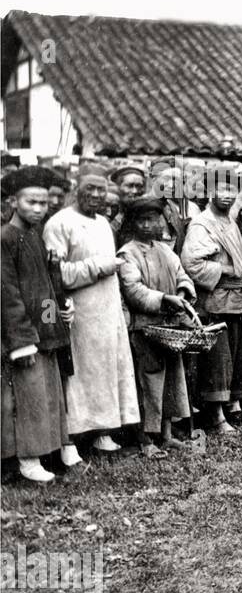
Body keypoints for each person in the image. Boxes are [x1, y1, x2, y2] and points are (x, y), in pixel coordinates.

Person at [43, 172, 140, 454]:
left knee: (106, 372)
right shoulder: (59, 223)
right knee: (81, 376)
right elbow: (57, 275)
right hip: (79, 313)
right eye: (90, 189)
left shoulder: (103, 224)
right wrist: (98, 266)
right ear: (76, 189)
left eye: (101, 190)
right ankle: (73, 437)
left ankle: (102, 432)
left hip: (107, 311)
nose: (96, 195)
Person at [181, 166, 242, 434]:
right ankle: (217, 416)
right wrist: (227, 270)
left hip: (241, 298)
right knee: (218, 359)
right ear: (210, 192)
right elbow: (192, 263)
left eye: (232, 190)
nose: (226, 195)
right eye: (220, 190)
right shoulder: (202, 223)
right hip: (218, 298)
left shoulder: (234, 222)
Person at [1, 168, 82, 483]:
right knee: (27, 396)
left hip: (43, 332)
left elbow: (44, 288)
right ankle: (27, 458)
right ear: (13, 201)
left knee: (47, 393)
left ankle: (49, 450)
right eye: (30, 202)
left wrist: (57, 317)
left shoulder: (35, 235)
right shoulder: (6, 238)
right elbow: (7, 294)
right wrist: (22, 340)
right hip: (21, 336)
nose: (38, 208)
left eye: (43, 203)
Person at [116, 197, 199, 458]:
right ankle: (146, 439)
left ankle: (167, 433)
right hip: (144, 327)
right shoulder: (128, 252)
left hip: (169, 327)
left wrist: (184, 291)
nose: (149, 225)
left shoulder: (164, 250)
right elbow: (133, 289)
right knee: (148, 382)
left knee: (172, 381)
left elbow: (181, 273)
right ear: (133, 223)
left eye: (154, 219)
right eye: (142, 220)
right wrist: (164, 299)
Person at [109, 165, 148, 247]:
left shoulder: (146, 212)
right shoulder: (109, 210)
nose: (135, 191)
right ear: (118, 187)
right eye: (129, 186)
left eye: (139, 186)